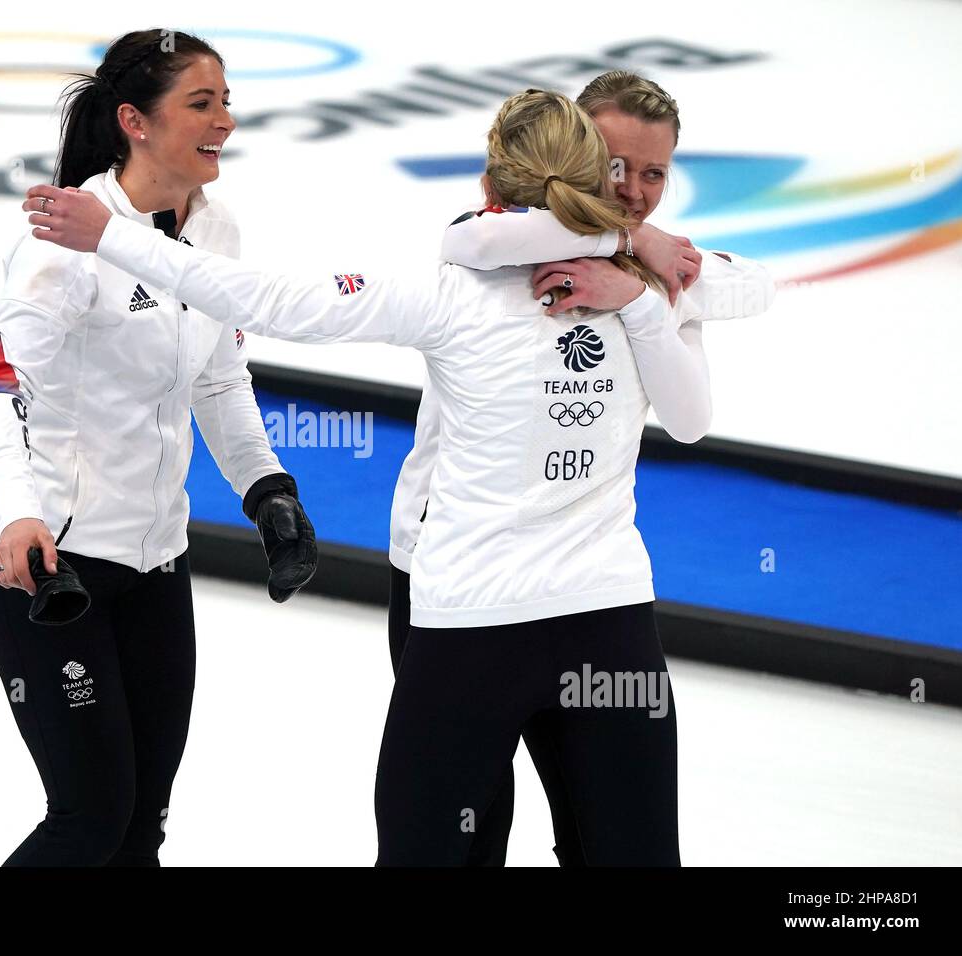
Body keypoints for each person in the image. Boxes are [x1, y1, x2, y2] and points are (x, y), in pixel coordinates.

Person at [22, 86, 726, 865]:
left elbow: (275, 301)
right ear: (594, 177)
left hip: (471, 631)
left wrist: (114, 237)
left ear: (490, 188)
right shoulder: (654, 289)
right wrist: (634, 273)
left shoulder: (448, 292)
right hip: (608, 624)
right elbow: (698, 403)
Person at [387, 70, 776, 866]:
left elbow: (750, 289)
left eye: (656, 172)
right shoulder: (492, 242)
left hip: (587, 592)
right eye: (613, 165)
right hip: (452, 578)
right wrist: (629, 245)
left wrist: (643, 285)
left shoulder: (652, 275)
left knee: (615, 835)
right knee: (464, 833)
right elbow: (475, 238)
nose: (633, 190)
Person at [0, 29, 317, 867]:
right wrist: (19, 517)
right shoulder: (66, 239)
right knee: (90, 815)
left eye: (226, 100)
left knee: (140, 827)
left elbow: (220, 379)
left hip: (156, 563)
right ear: (135, 121)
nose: (225, 119)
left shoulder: (217, 230)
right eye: (202, 103)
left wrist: (267, 489)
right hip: (50, 564)